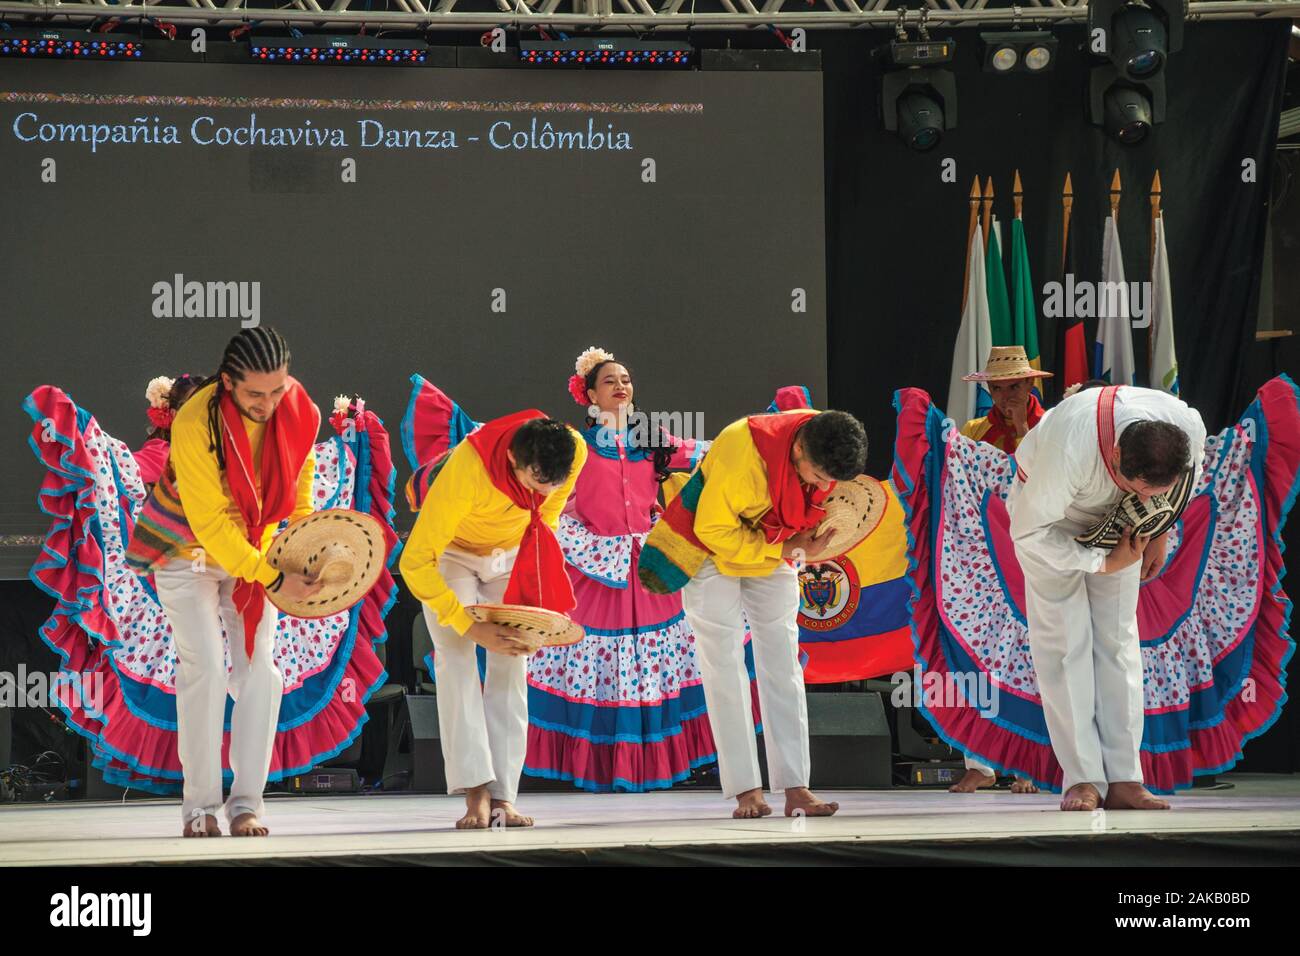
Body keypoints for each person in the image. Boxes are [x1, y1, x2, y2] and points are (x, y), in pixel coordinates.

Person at [124, 327, 323, 837]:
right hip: (187, 549)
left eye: (277, 389)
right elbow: (211, 523)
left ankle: (246, 805)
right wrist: (270, 573)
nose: (269, 402)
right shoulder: (197, 419)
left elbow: (300, 496)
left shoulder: (300, 409)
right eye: (256, 393)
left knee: (261, 674)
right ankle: (200, 808)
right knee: (207, 669)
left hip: (257, 550)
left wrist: (299, 555)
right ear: (228, 382)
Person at [524, 347, 716, 792]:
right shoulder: (575, 446)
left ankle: (656, 765)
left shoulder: (654, 438)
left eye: (626, 379)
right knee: (598, 668)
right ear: (589, 394)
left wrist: (756, 439)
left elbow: (707, 456)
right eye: (610, 381)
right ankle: (599, 766)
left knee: (656, 666)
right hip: (596, 569)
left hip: (648, 568)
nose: (621, 386)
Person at [680, 402, 867, 819]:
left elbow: (809, 507)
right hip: (711, 548)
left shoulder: (822, 432)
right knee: (724, 662)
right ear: (798, 448)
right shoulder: (741, 450)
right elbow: (711, 529)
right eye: (818, 477)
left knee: (783, 661)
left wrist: (806, 541)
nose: (822, 485)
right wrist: (786, 547)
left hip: (773, 547)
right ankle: (747, 789)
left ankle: (797, 786)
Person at [399, 410, 586, 829]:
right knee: (455, 656)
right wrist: (469, 625)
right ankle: (475, 791)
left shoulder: (573, 452)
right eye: (538, 483)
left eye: (555, 482)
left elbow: (550, 514)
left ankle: (504, 795)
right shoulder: (469, 469)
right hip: (452, 554)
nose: (549, 490)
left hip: (512, 553)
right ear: (513, 463)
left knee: (511, 661)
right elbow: (415, 562)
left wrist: (532, 570)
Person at [951, 346, 1050, 795]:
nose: (1004, 395)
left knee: (1035, 657)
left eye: (1013, 386)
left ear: (1031, 385)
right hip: (987, 558)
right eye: (996, 387)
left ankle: (1028, 762)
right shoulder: (974, 430)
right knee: (980, 654)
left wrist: (1024, 429)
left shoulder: (1052, 426)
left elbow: (1049, 477)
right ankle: (981, 762)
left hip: (1038, 553)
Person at [134, 374, 199, 486]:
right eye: (196, 408)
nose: (205, 415)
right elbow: (117, 468)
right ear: (175, 414)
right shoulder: (165, 456)